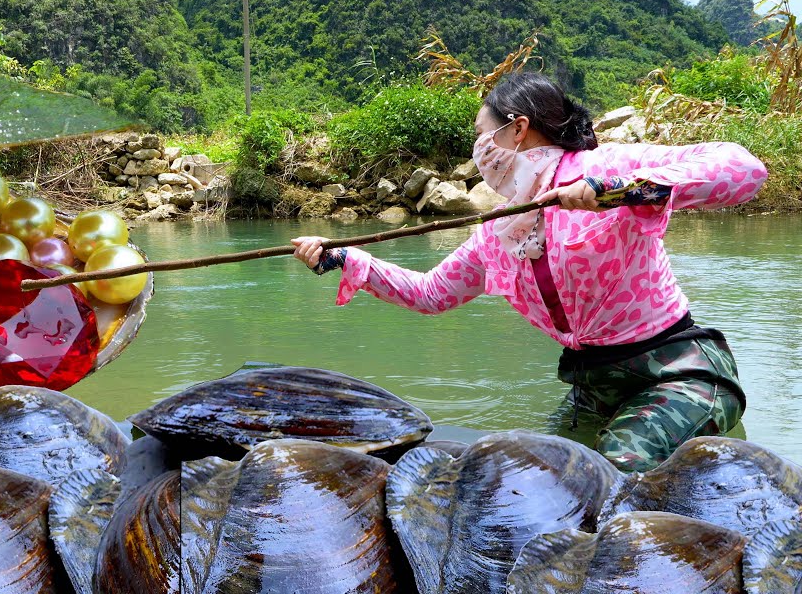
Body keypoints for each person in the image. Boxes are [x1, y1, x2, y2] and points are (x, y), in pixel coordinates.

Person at [292, 72, 768, 472]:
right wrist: (345, 258)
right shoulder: (501, 228)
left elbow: (744, 169)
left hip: (680, 375)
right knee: (538, 476)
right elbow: (430, 293)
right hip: (593, 387)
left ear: (517, 130)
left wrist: (620, 189)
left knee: (618, 464)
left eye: (484, 133)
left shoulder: (605, 166)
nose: (479, 148)